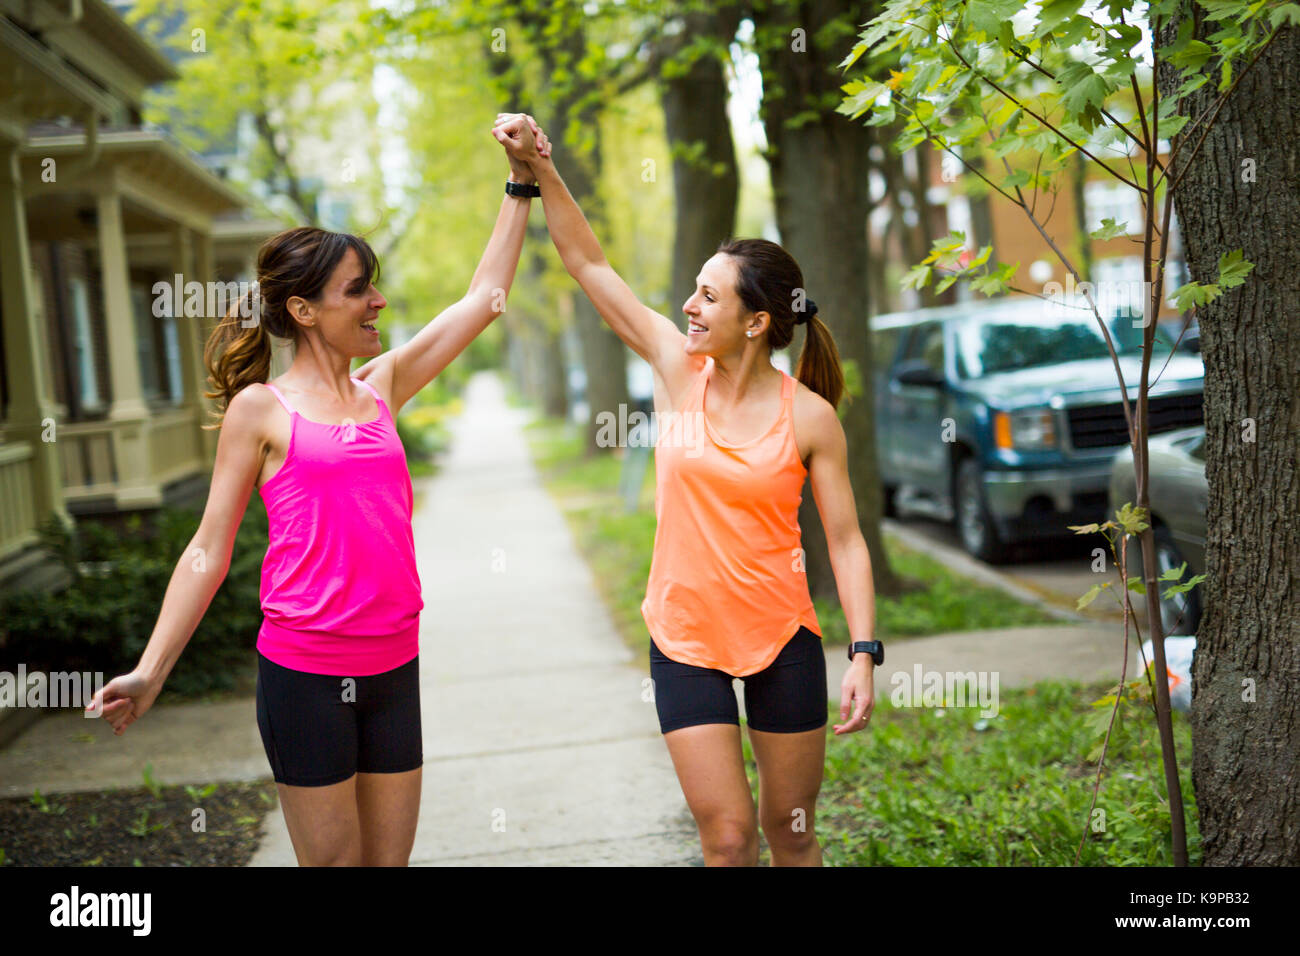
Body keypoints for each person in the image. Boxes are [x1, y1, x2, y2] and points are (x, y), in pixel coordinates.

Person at [85, 114, 551, 866]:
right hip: (305, 671)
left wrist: (520, 181)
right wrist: (152, 669)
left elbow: (485, 296)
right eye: (358, 291)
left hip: (395, 662)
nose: (377, 303)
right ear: (303, 311)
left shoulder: (382, 386)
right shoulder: (261, 411)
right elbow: (209, 547)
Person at [494, 114, 880, 866]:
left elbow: (845, 540)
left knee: (790, 833)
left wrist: (864, 652)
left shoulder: (811, 417)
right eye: (694, 292)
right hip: (684, 637)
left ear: (757, 322)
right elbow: (589, 264)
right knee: (727, 837)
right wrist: (542, 168)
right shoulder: (678, 372)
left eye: (708, 297)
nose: (689, 307)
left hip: (783, 640)